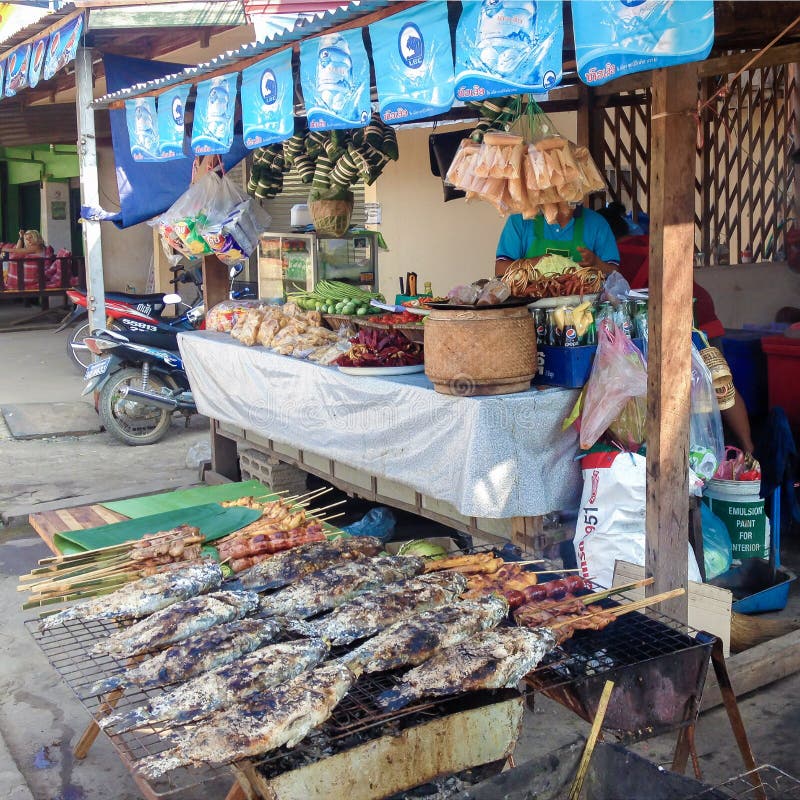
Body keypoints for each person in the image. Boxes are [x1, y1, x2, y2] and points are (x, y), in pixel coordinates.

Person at [596, 203, 755, 454]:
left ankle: (707, 451)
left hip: (686, 314)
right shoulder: (648, 240)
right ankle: (747, 450)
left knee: (707, 384)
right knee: (721, 381)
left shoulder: (617, 254)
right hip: (697, 304)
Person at [495, 201, 621, 278]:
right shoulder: (520, 220)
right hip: (530, 313)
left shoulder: (596, 223)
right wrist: (536, 263)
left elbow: (614, 273)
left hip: (582, 312)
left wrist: (595, 263)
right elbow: (500, 270)